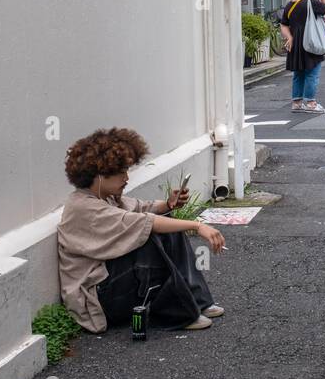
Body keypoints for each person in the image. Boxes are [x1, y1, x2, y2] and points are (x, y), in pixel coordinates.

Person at [57, 127, 225, 335]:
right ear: (100, 175)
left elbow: (141, 208)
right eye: (121, 172)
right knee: (152, 235)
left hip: (111, 285)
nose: (127, 178)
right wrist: (198, 226)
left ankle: (197, 301)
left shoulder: (104, 197)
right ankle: (178, 314)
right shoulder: (84, 207)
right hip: (99, 300)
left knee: (164, 224)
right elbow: (145, 221)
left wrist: (169, 204)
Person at [281, 0, 325, 113]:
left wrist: (290, 37)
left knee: (298, 74)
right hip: (310, 43)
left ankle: (296, 103)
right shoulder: (311, 3)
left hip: (295, 44)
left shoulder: (289, 5)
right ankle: (311, 103)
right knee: (312, 73)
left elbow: (283, 25)